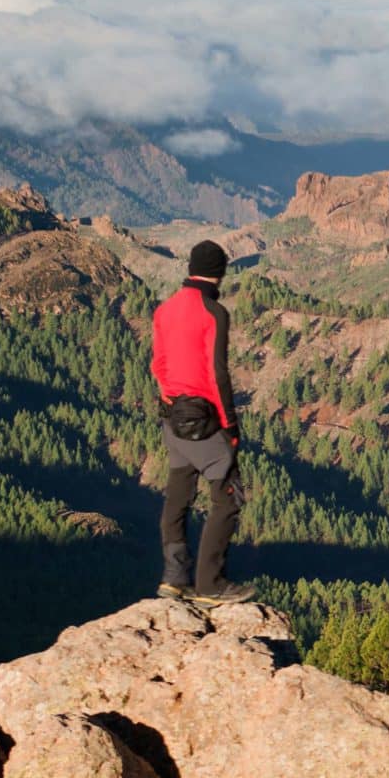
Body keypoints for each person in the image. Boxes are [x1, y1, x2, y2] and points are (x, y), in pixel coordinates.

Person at [150, 239, 254, 604]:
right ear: (220, 272)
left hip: (173, 418)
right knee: (228, 498)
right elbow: (217, 374)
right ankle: (210, 584)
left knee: (178, 496)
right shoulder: (214, 312)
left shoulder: (164, 310)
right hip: (206, 420)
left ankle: (174, 577)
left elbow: (158, 364)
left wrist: (170, 398)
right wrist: (230, 426)